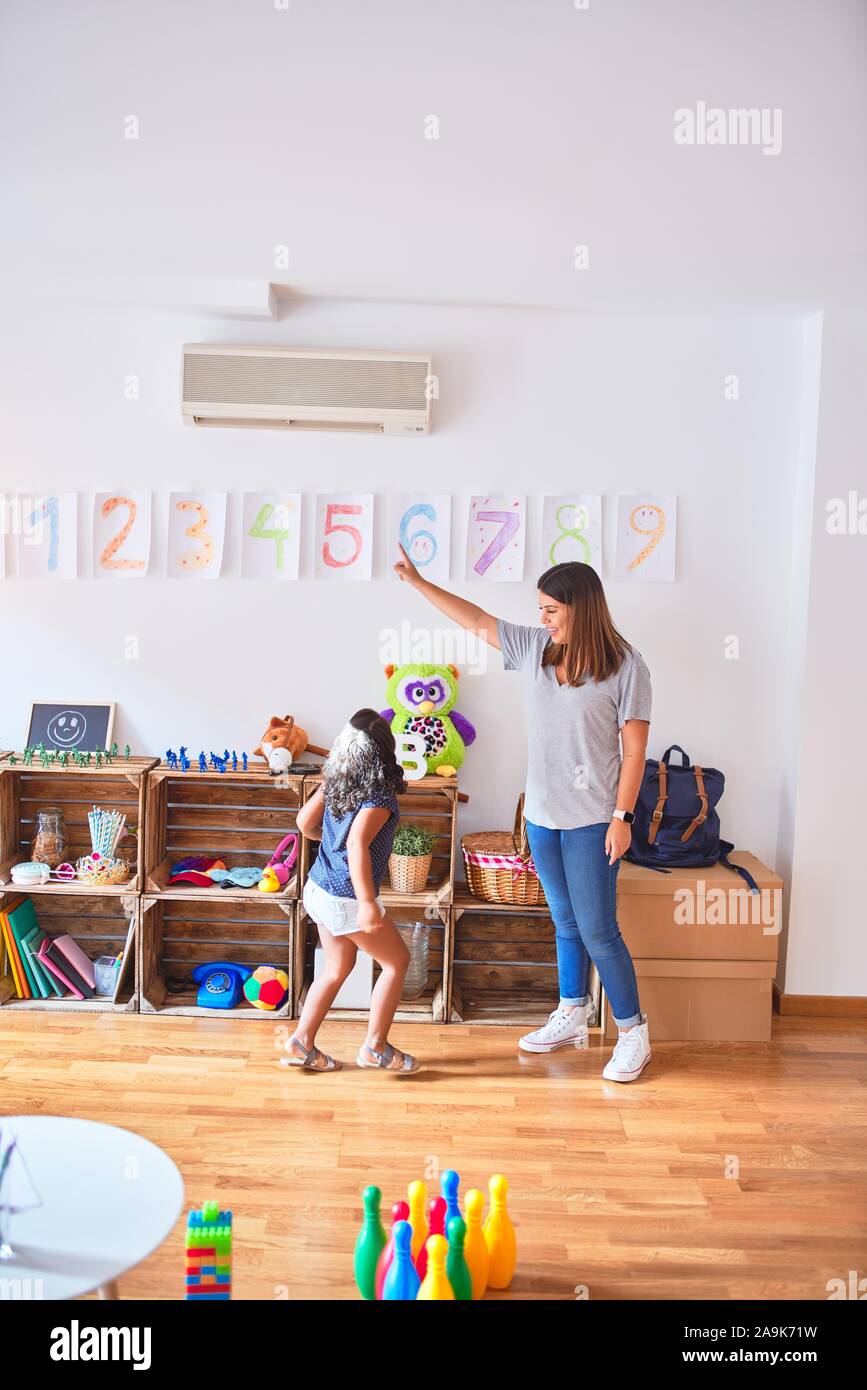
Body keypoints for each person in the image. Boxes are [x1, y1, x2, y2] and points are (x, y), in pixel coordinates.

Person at [394, 547, 652, 1082]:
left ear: (580, 609)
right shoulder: (536, 649)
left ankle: (633, 1033)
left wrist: (622, 817)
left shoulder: (627, 667)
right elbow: (475, 618)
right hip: (541, 816)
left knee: (599, 929)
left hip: (592, 820)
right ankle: (572, 1013)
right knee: (564, 922)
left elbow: (634, 753)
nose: (542, 619)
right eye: (540, 609)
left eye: (551, 610)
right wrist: (420, 584)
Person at [285, 708, 420, 1074]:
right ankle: (375, 1047)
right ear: (384, 750)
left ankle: (300, 1043)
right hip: (346, 898)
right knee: (397, 962)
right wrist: (366, 903)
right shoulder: (380, 795)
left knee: (337, 966)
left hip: (319, 888)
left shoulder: (335, 779)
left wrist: (327, 845)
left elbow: (303, 823)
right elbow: (359, 845)